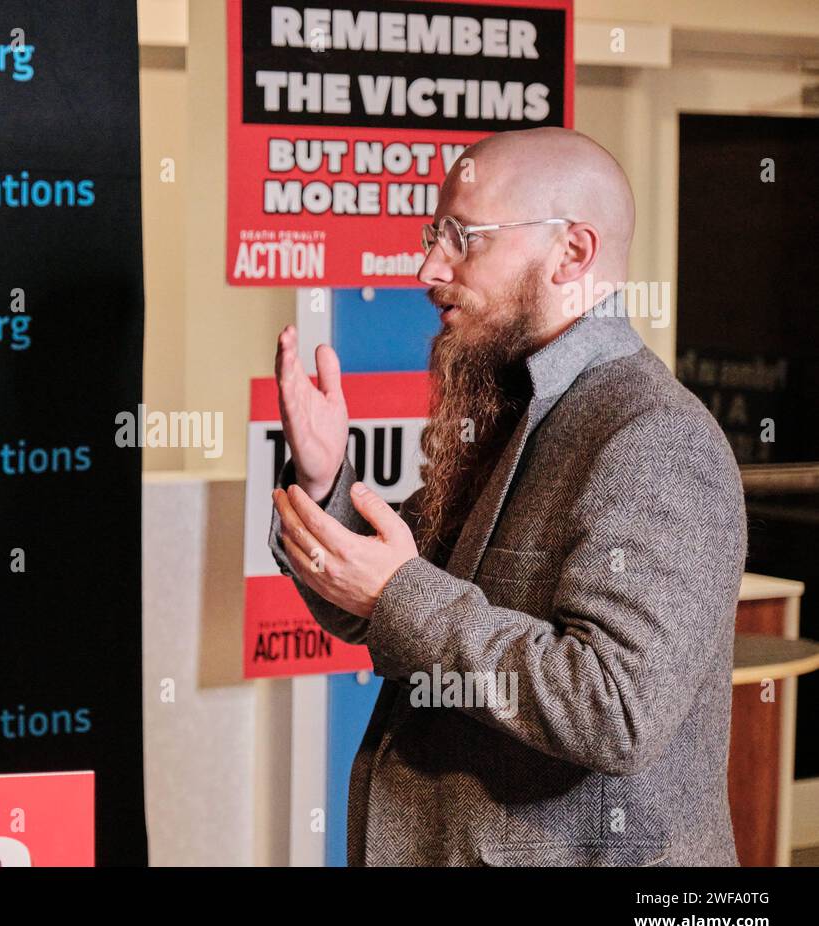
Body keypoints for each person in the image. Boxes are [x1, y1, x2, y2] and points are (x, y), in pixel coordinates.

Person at [269, 127, 745, 866]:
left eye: (463, 237)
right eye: (434, 235)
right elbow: (368, 600)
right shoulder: (516, 408)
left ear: (572, 253)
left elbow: (617, 709)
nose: (430, 267)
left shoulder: (655, 436)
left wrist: (399, 594)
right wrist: (323, 479)